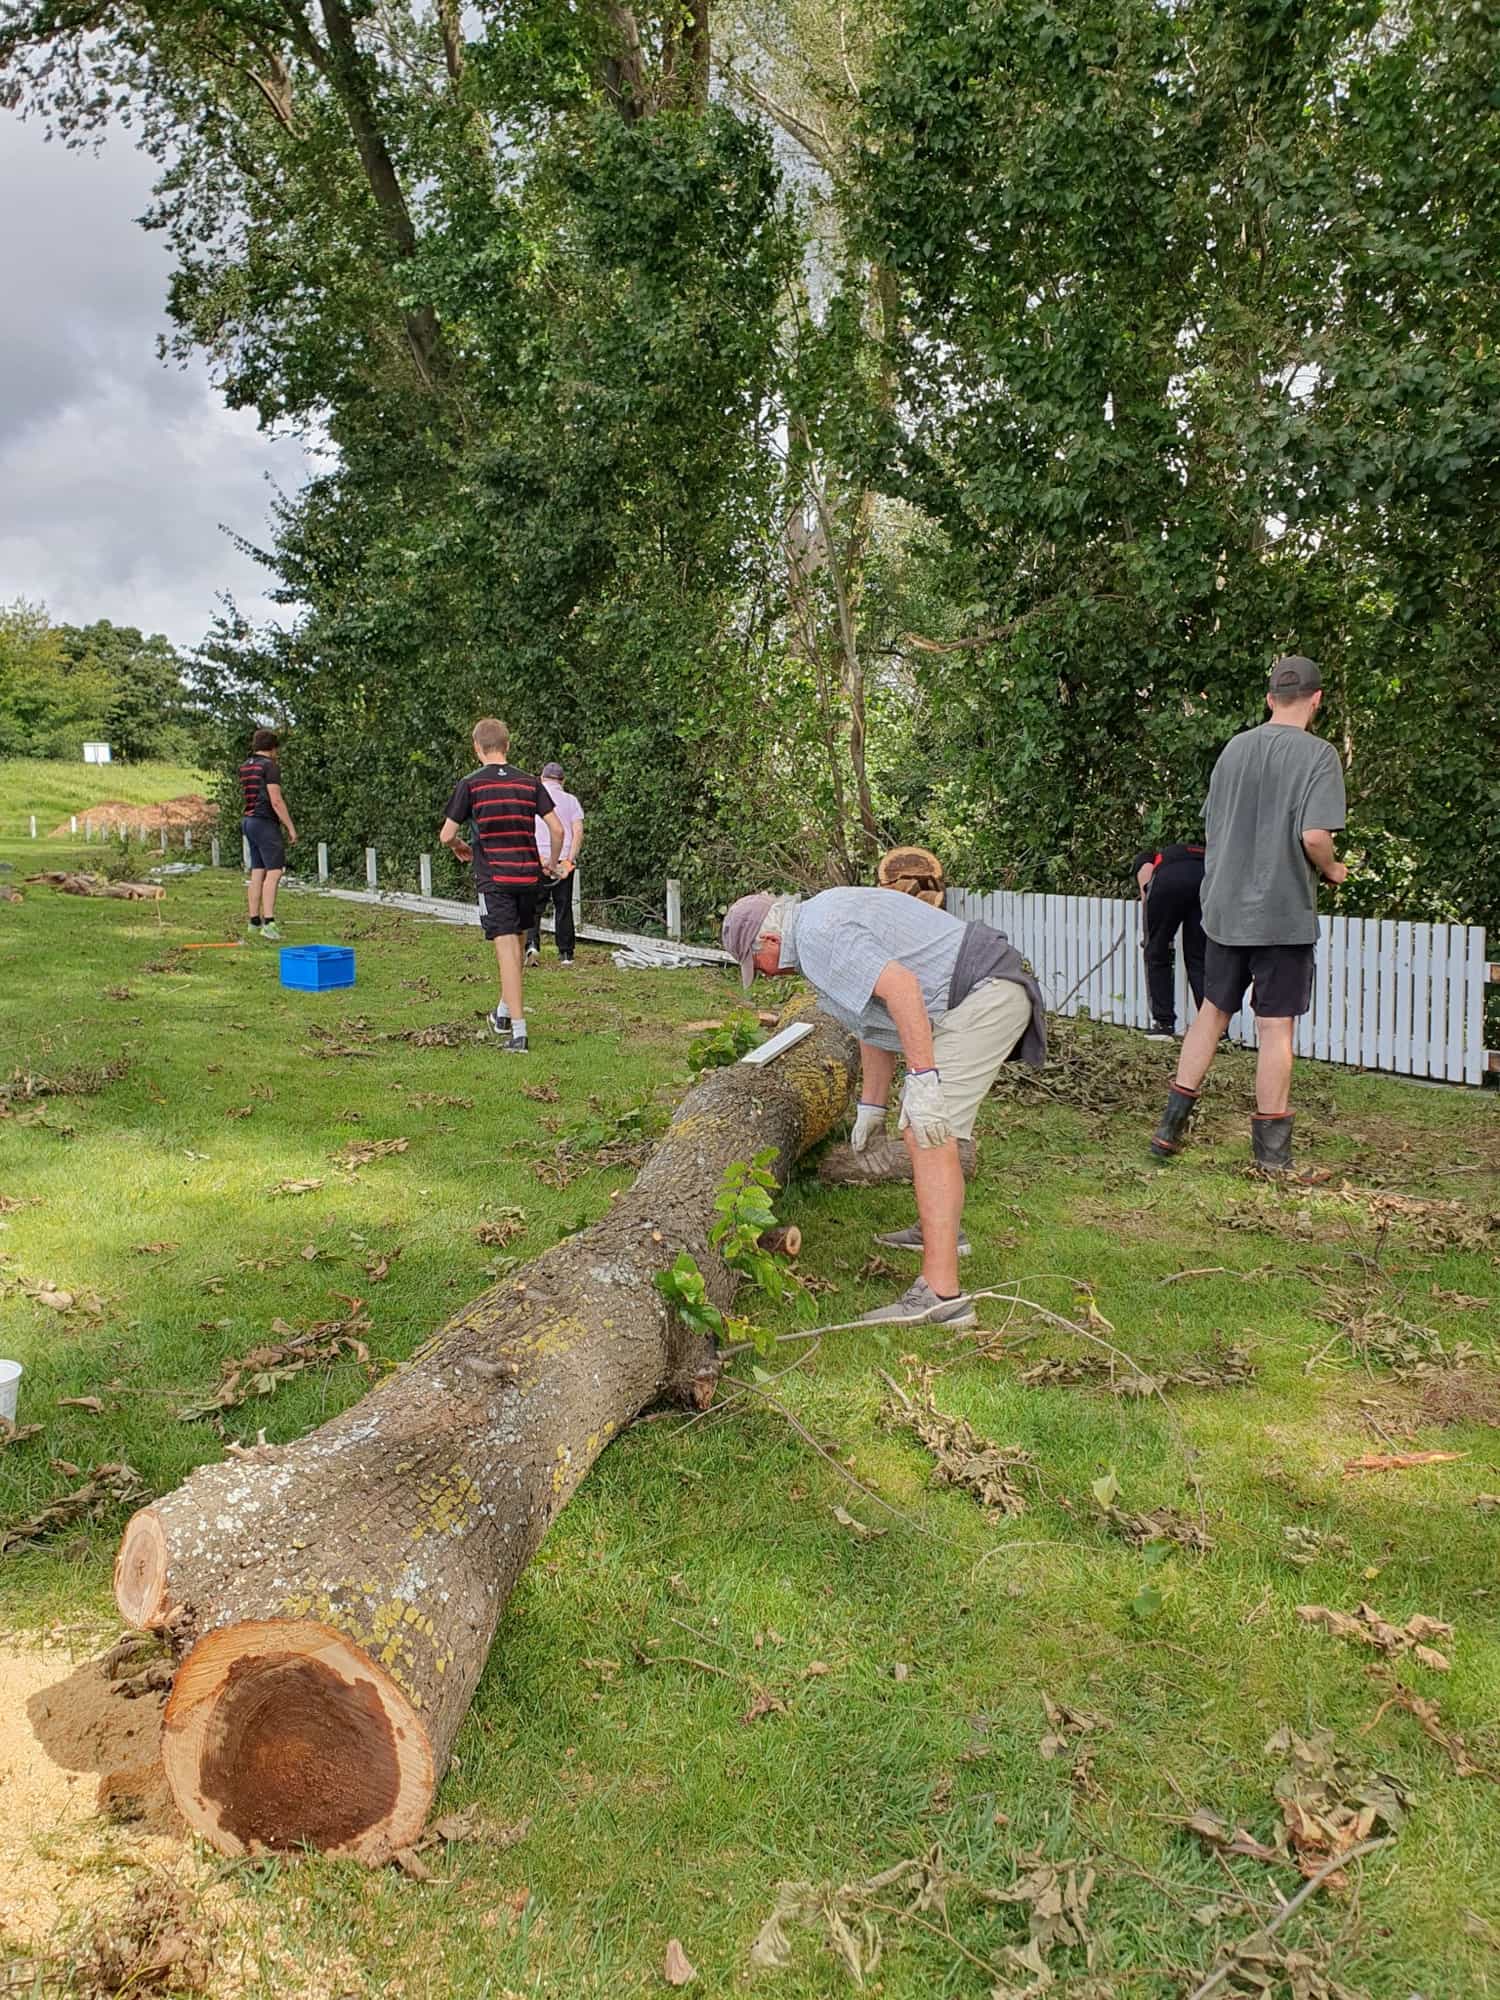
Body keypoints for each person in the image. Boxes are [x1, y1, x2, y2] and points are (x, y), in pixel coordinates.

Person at [722, 887, 1046, 1326]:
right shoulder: (818, 925)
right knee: (926, 1127)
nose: (762, 976)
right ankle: (939, 1235)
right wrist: (870, 1108)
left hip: (985, 994)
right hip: (980, 992)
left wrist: (925, 1081)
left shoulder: (819, 933)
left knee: (925, 1128)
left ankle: (940, 1295)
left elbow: (904, 990)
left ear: (769, 941)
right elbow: (877, 1018)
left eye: (755, 965)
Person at [1150, 655, 1347, 1173]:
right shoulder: (1319, 756)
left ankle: (1167, 1133)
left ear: (1269, 699)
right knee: (1275, 1028)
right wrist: (1333, 868)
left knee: (1211, 1014)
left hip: (1224, 908)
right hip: (1281, 914)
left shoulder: (1234, 750)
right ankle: (1272, 1157)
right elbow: (1314, 837)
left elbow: (1216, 830)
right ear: (1316, 699)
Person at [439, 719, 565, 1056]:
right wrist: (551, 863)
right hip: (528, 878)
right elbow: (558, 830)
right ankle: (503, 1012)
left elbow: (446, 835)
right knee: (519, 942)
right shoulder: (529, 783)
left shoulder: (471, 784)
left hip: (494, 878)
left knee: (506, 950)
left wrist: (459, 847)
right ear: (507, 747)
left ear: (476, 748)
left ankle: (518, 1033)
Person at [1133, 841, 1206, 1040]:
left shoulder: (1147, 860)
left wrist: (1153, 934)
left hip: (1170, 881)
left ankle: (1164, 1024)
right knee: (1200, 959)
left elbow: (1147, 889)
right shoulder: (1193, 851)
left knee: (1156, 952)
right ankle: (1215, 1029)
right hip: (1206, 877)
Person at [238, 728, 297, 942]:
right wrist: (290, 826)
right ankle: (269, 922)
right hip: (265, 822)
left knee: (257, 871)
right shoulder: (270, 767)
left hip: (249, 821)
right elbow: (276, 800)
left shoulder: (246, 766)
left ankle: (253, 921)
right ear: (273, 748)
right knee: (275, 872)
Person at [525, 762, 584, 967]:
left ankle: (532, 945)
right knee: (563, 906)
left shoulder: (532, 799)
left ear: (541, 778)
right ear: (563, 780)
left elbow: (527, 830)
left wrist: (537, 857)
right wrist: (569, 860)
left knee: (533, 906)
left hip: (539, 858)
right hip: (562, 861)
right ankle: (566, 953)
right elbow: (578, 832)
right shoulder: (571, 801)